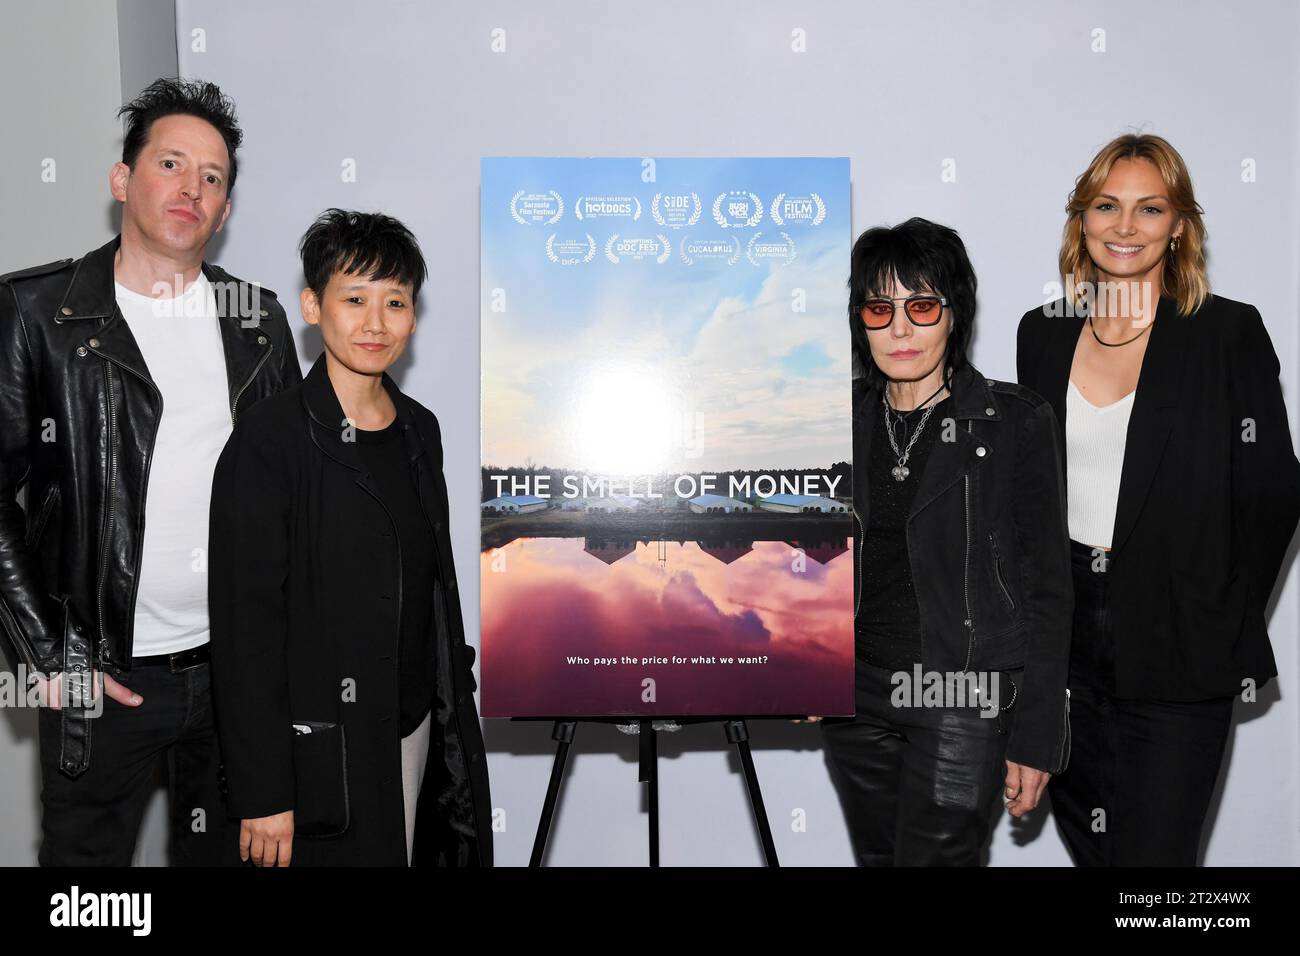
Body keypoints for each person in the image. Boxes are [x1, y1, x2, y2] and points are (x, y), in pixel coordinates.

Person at [0, 78, 302, 865]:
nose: (191, 188)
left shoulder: (258, 323)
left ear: (225, 209)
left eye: (212, 177)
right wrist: (48, 656)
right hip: (104, 686)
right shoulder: (41, 314)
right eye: (170, 164)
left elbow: (293, 504)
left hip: (233, 681)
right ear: (122, 180)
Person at [1018, 133, 1300, 866]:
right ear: (1081, 218)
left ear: (1180, 226)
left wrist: (1220, 612)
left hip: (1179, 641)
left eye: (1150, 209)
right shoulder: (1041, 336)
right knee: (1096, 853)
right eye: (1107, 206)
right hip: (1066, 639)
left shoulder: (1224, 332)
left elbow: (1272, 494)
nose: (1124, 225)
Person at [208, 208, 492, 866]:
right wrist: (263, 790)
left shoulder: (420, 429)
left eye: (395, 302)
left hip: (415, 725)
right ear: (313, 305)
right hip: (321, 746)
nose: (375, 322)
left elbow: (427, 585)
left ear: (414, 315)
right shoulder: (270, 438)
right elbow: (245, 628)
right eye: (354, 298)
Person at [819, 217, 1072, 866]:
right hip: (856, 696)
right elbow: (803, 556)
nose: (900, 328)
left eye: (922, 305)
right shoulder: (832, 421)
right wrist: (799, 674)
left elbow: (1049, 587)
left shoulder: (1014, 421)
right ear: (860, 320)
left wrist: (1038, 733)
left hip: (961, 695)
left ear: (954, 314)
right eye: (880, 308)